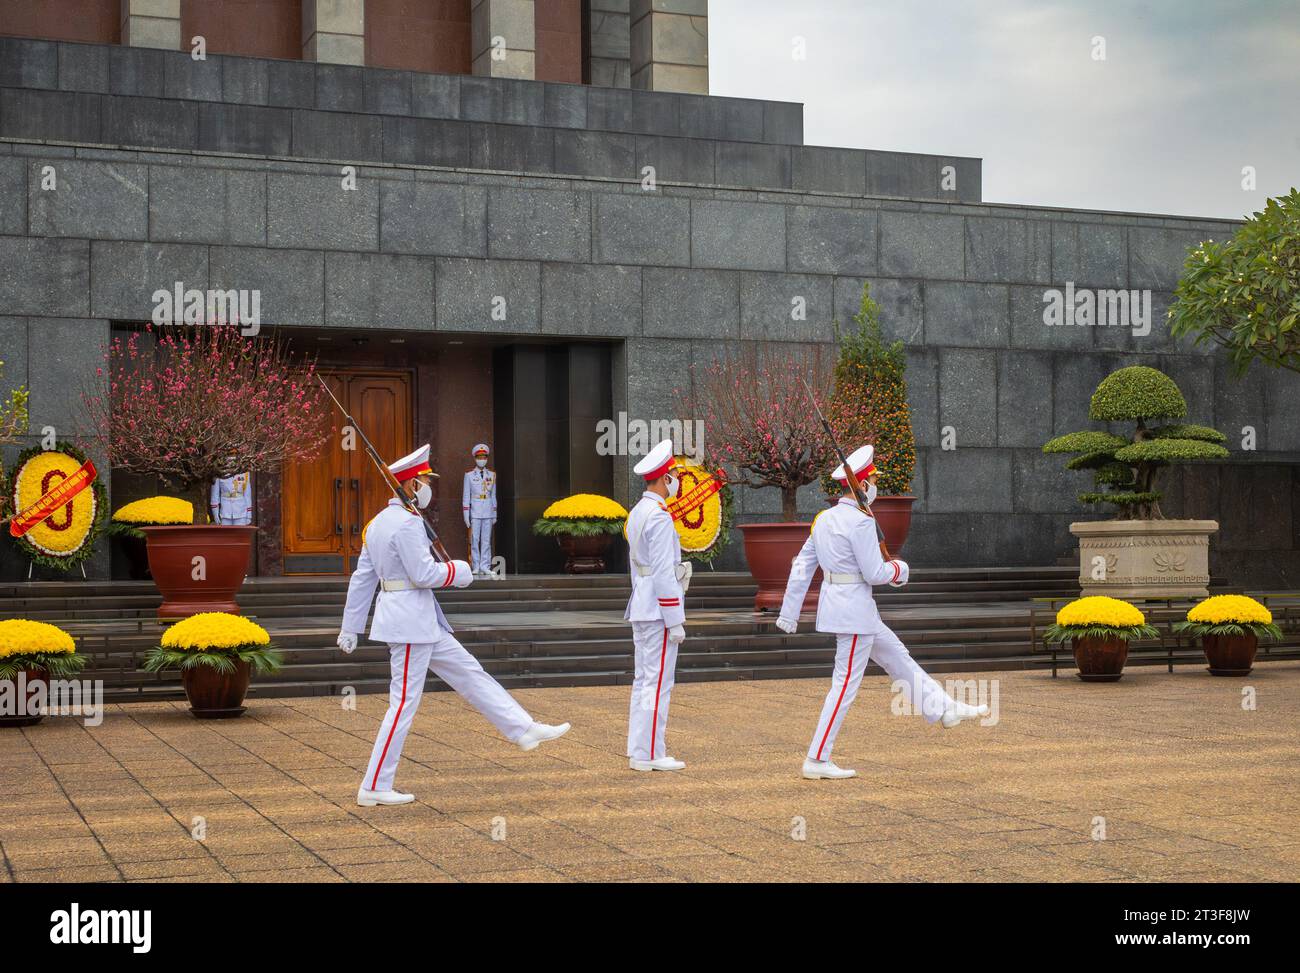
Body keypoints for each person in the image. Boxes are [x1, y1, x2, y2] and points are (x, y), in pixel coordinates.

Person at [337, 444, 570, 807]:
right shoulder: (408, 524)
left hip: (419, 621)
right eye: (426, 480)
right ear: (412, 485)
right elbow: (423, 574)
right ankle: (374, 785)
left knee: (470, 673)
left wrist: (350, 626)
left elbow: (362, 579)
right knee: (402, 704)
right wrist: (459, 572)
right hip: (410, 623)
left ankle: (522, 728)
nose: (430, 486)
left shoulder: (377, 524)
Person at [776, 444, 988, 781]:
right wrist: (900, 570)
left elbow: (802, 566)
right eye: (873, 478)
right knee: (844, 686)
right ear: (861, 484)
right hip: (855, 612)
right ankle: (816, 758)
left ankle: (942, 707)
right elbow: (875, 574)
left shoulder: (824, 519)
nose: (876, 484)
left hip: (849, 610)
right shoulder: (860, 522)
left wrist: (789, 613)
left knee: (897, 657)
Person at [624, 439, 693, 772]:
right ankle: (650, 752)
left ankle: (641, 748)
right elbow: (665, 573)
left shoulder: (638, 512)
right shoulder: (660, 517)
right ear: (665, 478)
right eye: (675, 476)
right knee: (657, 682)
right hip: (657, 609)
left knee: (643, 680)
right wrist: (674, 618)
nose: (676, 481)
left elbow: (639, 568)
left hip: (642, 604)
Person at [462, 443, 497, 576]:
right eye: (479, 457)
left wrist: (495, 513)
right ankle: (475, 566)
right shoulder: (469, 475)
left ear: (487, 458)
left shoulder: (492, 475)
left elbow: (493, 495)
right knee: (475, 539)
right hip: (475, 511)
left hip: (487, 510)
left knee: (486, 540)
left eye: (484, 457)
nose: (482, 459)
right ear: (475, 458)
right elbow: (466, 496)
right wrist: (466, 515)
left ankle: (485, 566)